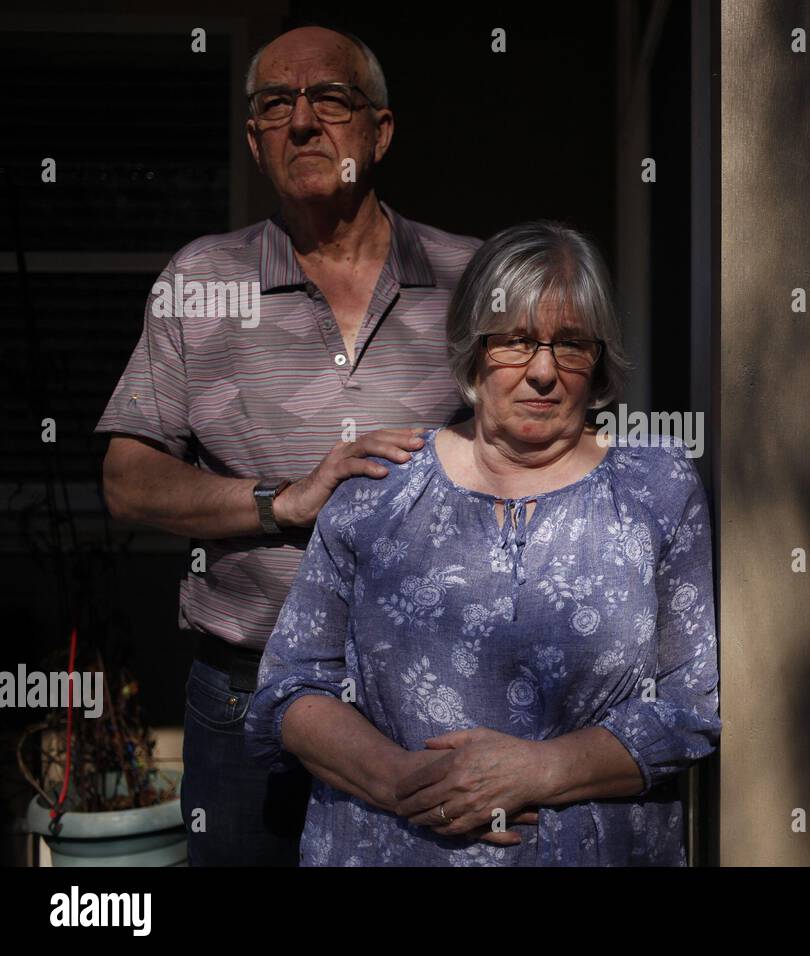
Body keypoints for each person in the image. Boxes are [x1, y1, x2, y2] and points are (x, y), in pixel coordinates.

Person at [95, 25, 482, 865]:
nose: (302, 122)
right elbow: (126, 482)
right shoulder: (202, 279)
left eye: (329, 100)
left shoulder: (472, 279)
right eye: (277, 105)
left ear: (379, 132)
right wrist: (279, 502)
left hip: (435, 693)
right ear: (255, 141)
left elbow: (552, 454)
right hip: (245, 693)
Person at [246, 221, 721, 865]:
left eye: (571, 344)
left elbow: (690, 710)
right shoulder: (378, 491)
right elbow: (291, 688)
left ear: (600, 359)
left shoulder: (657, 488)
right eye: (516, 342)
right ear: (473, 346)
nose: (544, 372)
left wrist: (539, 770)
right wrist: (403, 783)